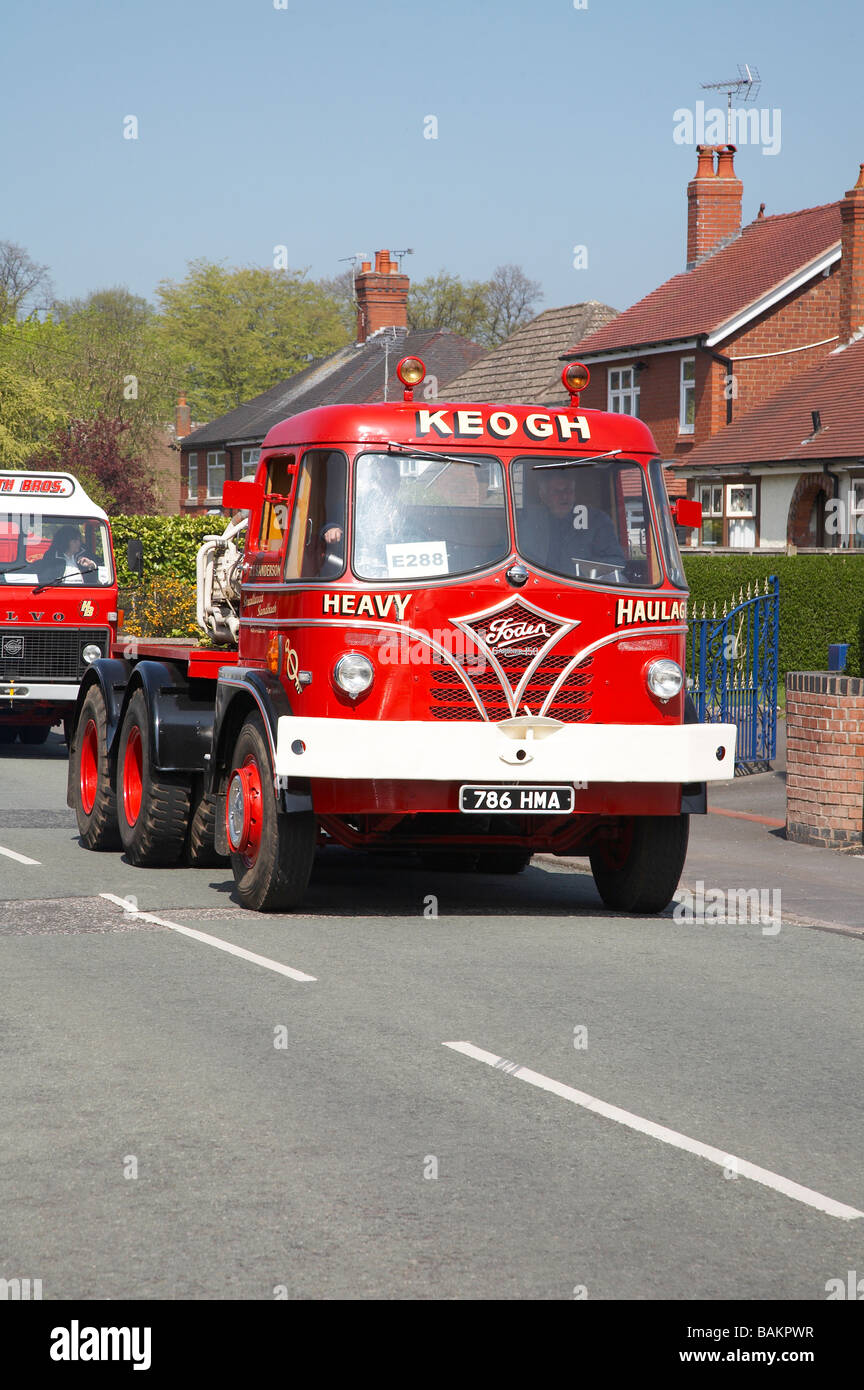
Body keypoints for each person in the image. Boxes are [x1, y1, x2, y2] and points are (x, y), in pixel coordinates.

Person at [518, 468, 625, 575]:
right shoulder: (527, 521)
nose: (564, 496)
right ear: (543, 495)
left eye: (569, 490)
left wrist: (591, 566)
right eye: (557, 491)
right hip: (539, 586)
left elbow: (617, 562)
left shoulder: (596, 521)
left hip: (583, 588)